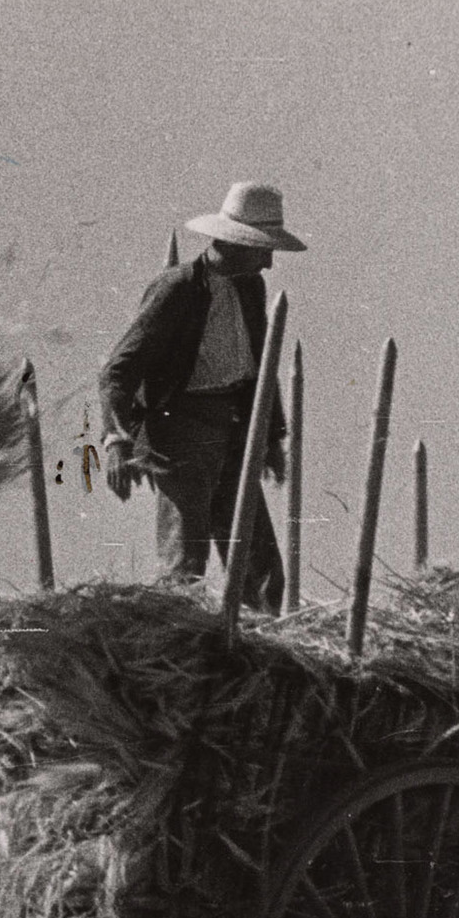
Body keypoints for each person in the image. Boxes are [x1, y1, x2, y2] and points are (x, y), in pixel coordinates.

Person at [97, 180, 306, 612]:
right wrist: (116, 440)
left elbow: (257, 365)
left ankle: (259, 649)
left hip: (233, 433)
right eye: (261, 249)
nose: (268, 262)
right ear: (232, 242)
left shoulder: (250, 289)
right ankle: (177, 648)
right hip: (181, 433)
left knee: (261, 568)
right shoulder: (176, 289)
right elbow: (119, 370)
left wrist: (270, 438)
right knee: (184, 563)